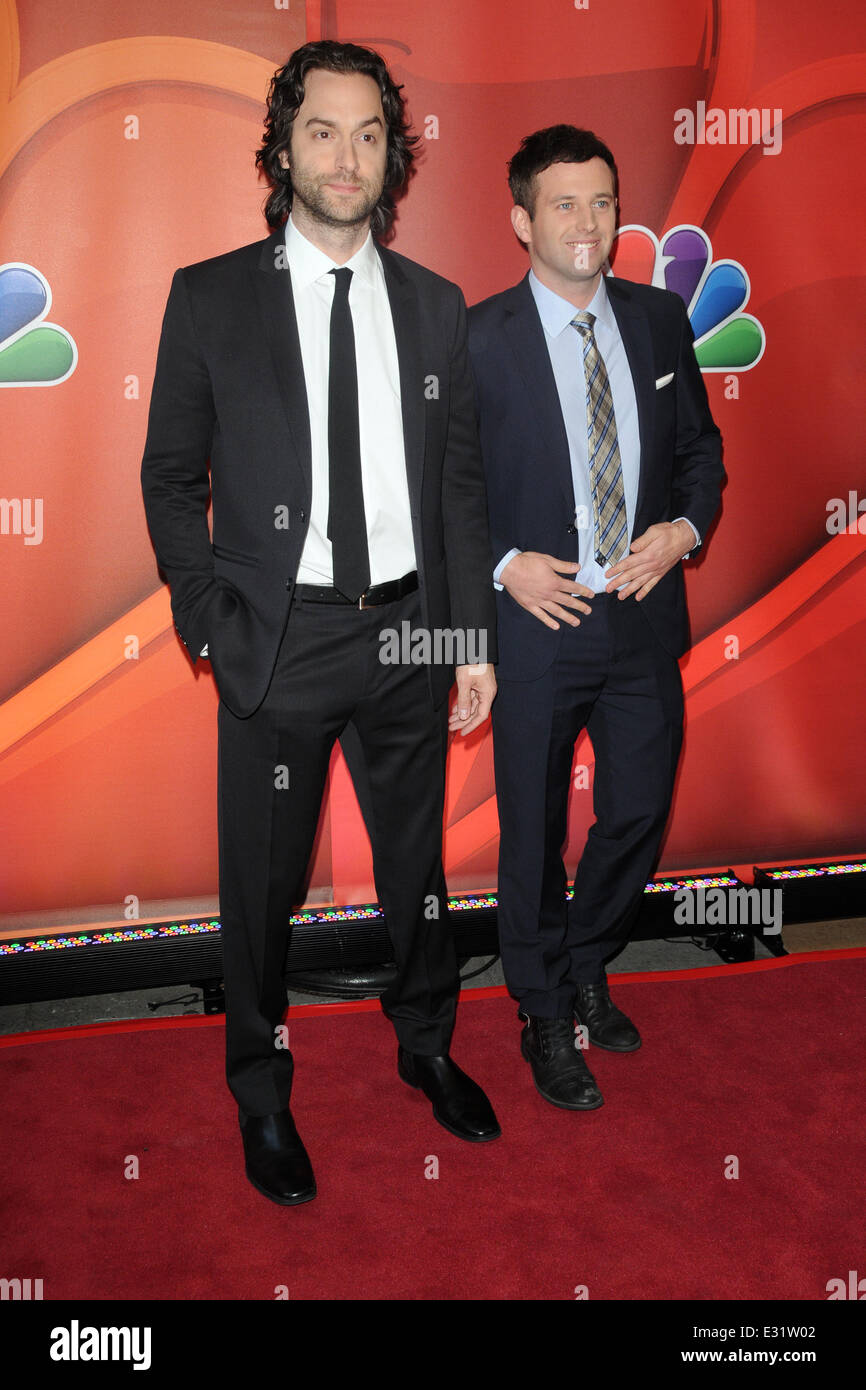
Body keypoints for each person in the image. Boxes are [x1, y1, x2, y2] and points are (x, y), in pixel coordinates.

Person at [140, 40, 501, 1207]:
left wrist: (468, 642)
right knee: (260, 892)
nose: (345, 157)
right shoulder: (208, 296)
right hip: (277, 639)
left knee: (418, 873)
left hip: (408, 635)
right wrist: (209, 621)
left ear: (393, 154)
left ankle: (427, 1042)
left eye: (367, 134)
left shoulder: (436, 306)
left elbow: (454, 493)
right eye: (321, 131)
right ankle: (261, 1092)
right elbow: (167, 476)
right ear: (282, 146)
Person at [468, 125, 724, 1111]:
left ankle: (579, 957)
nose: (588, 223)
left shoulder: (659, 320)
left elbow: (700, 452)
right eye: (564, 204)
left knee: (637, 808)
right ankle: (541, 1009)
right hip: (535, 620)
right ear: (521, 220)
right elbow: (444, 483)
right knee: (529, 826)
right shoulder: (477, 336)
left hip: (640, 613)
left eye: (602, 202)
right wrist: (501, 564)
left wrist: (681, 530)